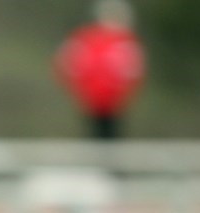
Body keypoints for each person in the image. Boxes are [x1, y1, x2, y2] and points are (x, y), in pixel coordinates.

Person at [54, 0, 145, 140]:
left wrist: (121, 97)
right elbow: (66, 65)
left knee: (112, 137)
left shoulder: (127, 42)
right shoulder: (86, 39)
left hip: (115, 106)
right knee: (93, 138)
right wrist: (82, 94)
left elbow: (134, 74)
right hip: (91, 104)